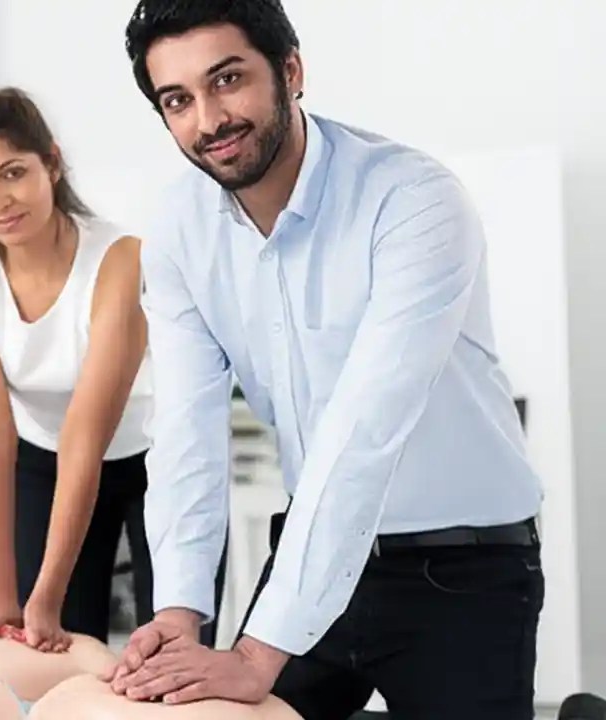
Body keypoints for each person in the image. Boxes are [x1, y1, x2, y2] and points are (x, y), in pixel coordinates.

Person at [107, 1, 545, 717]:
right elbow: (186, 430)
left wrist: (254, 654)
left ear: (291, 70)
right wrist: (181, 608)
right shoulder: (179, 228)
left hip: (464, 568)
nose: (209, 119)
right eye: (177, 100)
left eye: (227, 80)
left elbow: (361, 436)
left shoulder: (413, 202)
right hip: (310, 554)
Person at [0, 87, 155, 652]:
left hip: (153, 459)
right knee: (57, 650)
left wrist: (46, 593)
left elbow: (86, 431)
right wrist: (1, 596)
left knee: (162, 654)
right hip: (45, 458)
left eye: (13, 173)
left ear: (52, 163)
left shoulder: (121, 258)